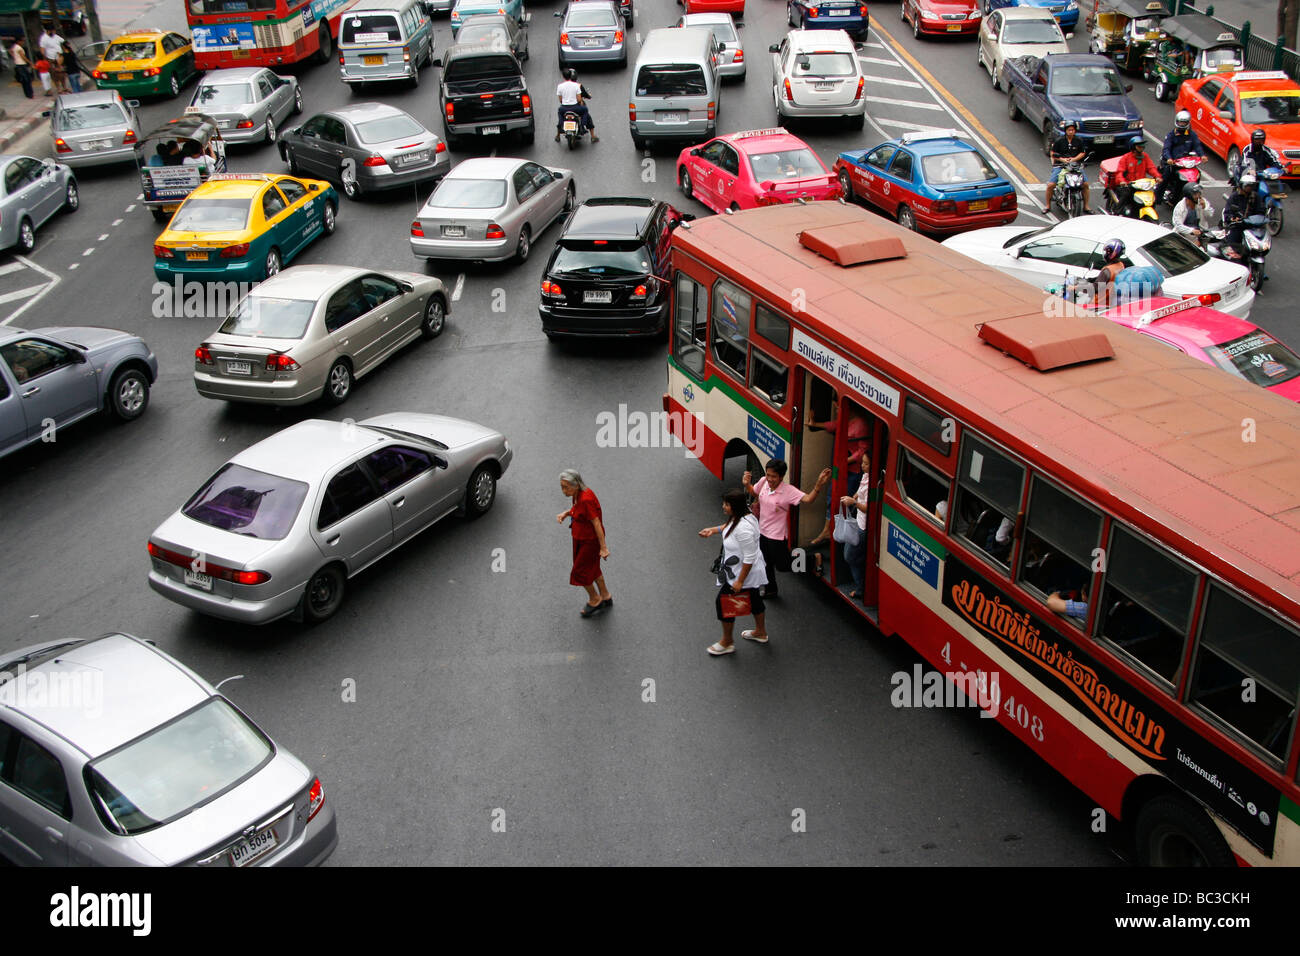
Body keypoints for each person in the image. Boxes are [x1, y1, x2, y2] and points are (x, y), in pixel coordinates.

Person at [743, 459, 830, 597]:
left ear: (781, 477)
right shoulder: (764, 481)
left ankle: (814, 559)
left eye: (774, 476)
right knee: (766, 562)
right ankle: (771, 589)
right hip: (762, 532)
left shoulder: (788, 491)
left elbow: (808, 499)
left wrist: (818, 485)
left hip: (777, 536)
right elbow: (755, 493)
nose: (770, 479)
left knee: (782, 566)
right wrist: (747, 484)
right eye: (768, 475)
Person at [699, 487, 768, 655]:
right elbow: (729, 525)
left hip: (742, 574)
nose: (723, 506)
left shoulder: (743, 529)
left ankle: (727, 642)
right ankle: (761, 632)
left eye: (726, 504)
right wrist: (714, 530)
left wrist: (739, 581)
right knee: (754, 599)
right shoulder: (744, 516)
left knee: (723, 603)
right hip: (746, 572)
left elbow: (749, 557)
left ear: (735, 506)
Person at [556, 469, 612, 618]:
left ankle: (595, 599)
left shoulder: (585, 499)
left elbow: (596, 523)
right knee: (593, 568)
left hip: (589, 541)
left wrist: (603, 547)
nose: (563, 490)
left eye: (566, 487)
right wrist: (567, 513)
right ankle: (605, 595)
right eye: (562, 486)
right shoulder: (579, 494)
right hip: (581, 537)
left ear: (576, 485)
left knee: (579, 572)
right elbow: (578, 510)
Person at [838, 472, 872, 600]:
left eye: (866, 464)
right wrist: (853, 497)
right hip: (858, 521)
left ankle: (861, 589)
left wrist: (853, 503)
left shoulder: (874, 483)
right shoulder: (866, 476)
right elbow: (859, 492)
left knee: (850, 556)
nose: (863, 466)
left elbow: (869, 508)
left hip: (863, 526)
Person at [1159, 110, 1204, 204]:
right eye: (1181, 122)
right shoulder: (1171, 135)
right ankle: (1158, 197)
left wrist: (1202, 155)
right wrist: (1169, 158)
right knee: (1165, 177)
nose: (1182, 124)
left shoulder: (1192, 135)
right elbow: (1166, 149)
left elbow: (1197, 146)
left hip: (1186, 163)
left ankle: (1195, 194)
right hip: (1173, 163)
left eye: (1184, 122)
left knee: (1198, 174)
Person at [1044, 120, 1089, 215]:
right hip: (1060, 165)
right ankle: (1047, 205)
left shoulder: (1079, 140)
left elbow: (1083, 153)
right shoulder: (1059, 141)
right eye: (1069, 130)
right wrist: (1062, 159)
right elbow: (1052, 153)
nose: (1071, 132)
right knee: (1051, 185)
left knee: (1085, 184)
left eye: (1072, 130)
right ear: (1066, 131)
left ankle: (1086, 206)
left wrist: (1073, 159)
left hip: (1075, 166)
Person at [1221, 173, 1267, 262]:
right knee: (1233, 248)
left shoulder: (1256, 197)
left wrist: (1260, 218)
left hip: (1252, 226)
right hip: (1238, 225)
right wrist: (1232, 218)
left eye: (1251, 185)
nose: (1249, 188)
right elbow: (1228, 212)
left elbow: (1261, 210)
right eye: (1247, 185)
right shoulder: (1234, 197)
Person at [1108, 139, 1158, 215]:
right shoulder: (1126, 158)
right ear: (1134, 147)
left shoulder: (1145, 156)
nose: (1142, 148)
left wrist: (1157, 176)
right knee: (1125, 195)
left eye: (1142, 146)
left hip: (1141, 186)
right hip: (1127, 185)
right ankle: (1117, 214)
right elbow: (1119, 172)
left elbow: (1151, 168)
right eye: (1139, 147)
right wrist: (1122, 181)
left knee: (1151, 198)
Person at [555, 68, 597, 143]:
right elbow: (579, 99)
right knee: (585, 110)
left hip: (564, 108)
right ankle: (584, 127)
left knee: (559, 113)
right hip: (575, 108)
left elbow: (560, 100)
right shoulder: (577, 85)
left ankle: (559, 132)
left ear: (563, 76)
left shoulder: (560, 86)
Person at [1091, 238, 1128, 309]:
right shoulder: (1120, 265)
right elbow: (1108, 279)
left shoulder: (1107, 270)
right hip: (1110, 302)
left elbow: (1095, 288)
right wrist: (1089, 280)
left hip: (1098, 304)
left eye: (1106, 251)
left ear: (1110, 252)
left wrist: (1076, 287)